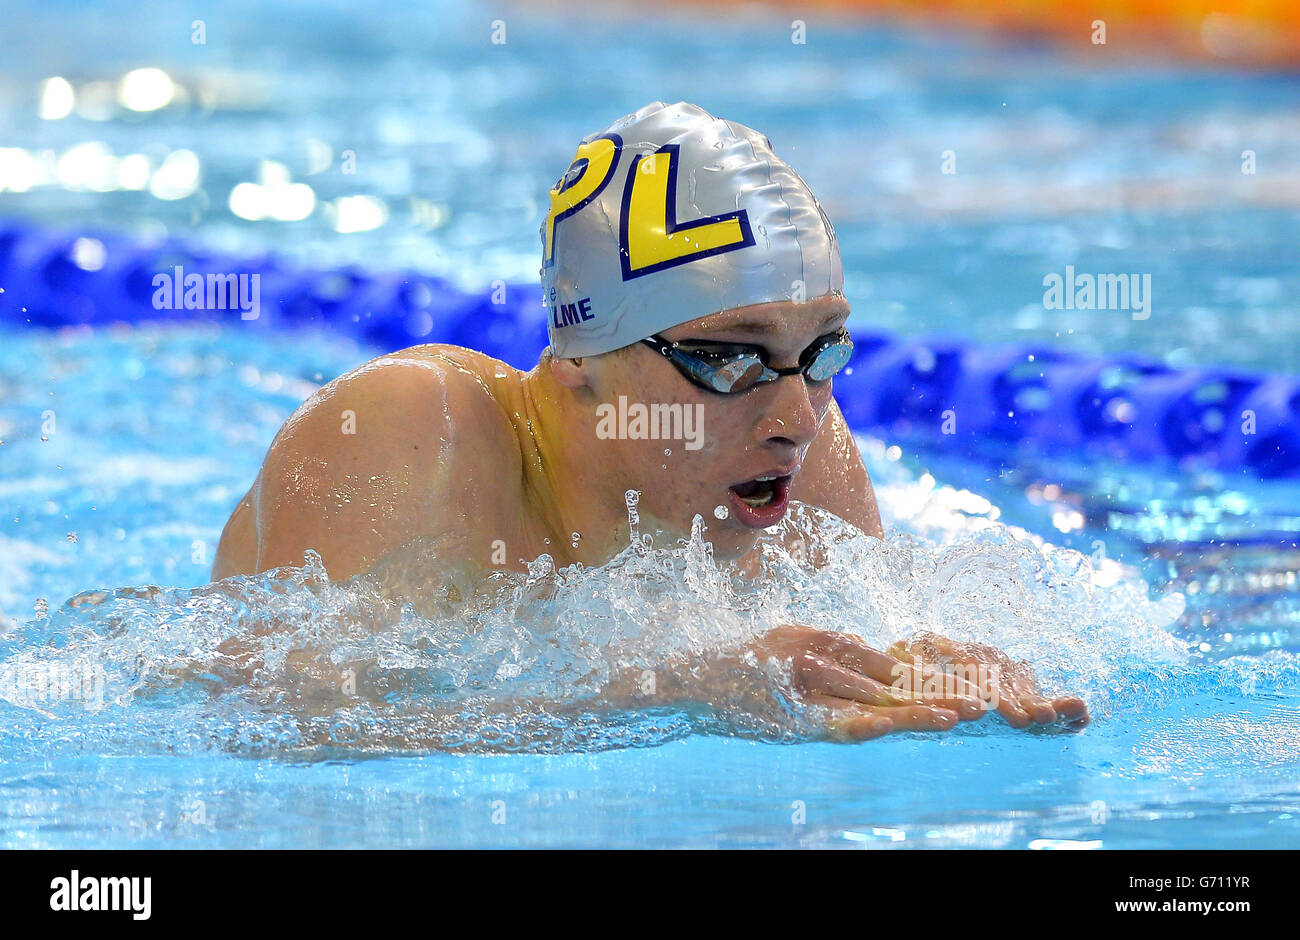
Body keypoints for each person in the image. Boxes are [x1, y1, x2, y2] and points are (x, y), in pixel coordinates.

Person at [212, 101, 1088, 739]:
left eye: (823, 350)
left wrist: (927, 670)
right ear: (587, 357)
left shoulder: (797, 444)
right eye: (729, 357)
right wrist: (668, 689)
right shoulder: (414, 431)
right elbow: (295, 726)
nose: (796, 417)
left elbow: (838, 671)